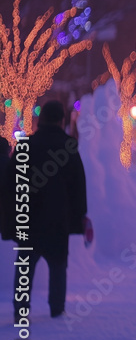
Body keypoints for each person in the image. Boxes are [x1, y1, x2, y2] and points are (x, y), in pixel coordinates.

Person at [1, 101, 88, 319]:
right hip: (58, 220)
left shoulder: (25, 145)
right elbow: (78, 185)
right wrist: (79, 217)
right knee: (58, 266)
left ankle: (20, 310)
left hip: (28, 219)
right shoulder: (69, 146)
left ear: (41, 119)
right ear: (61, 121)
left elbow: (11, 186)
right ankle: (56, 309)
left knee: (24, 265)